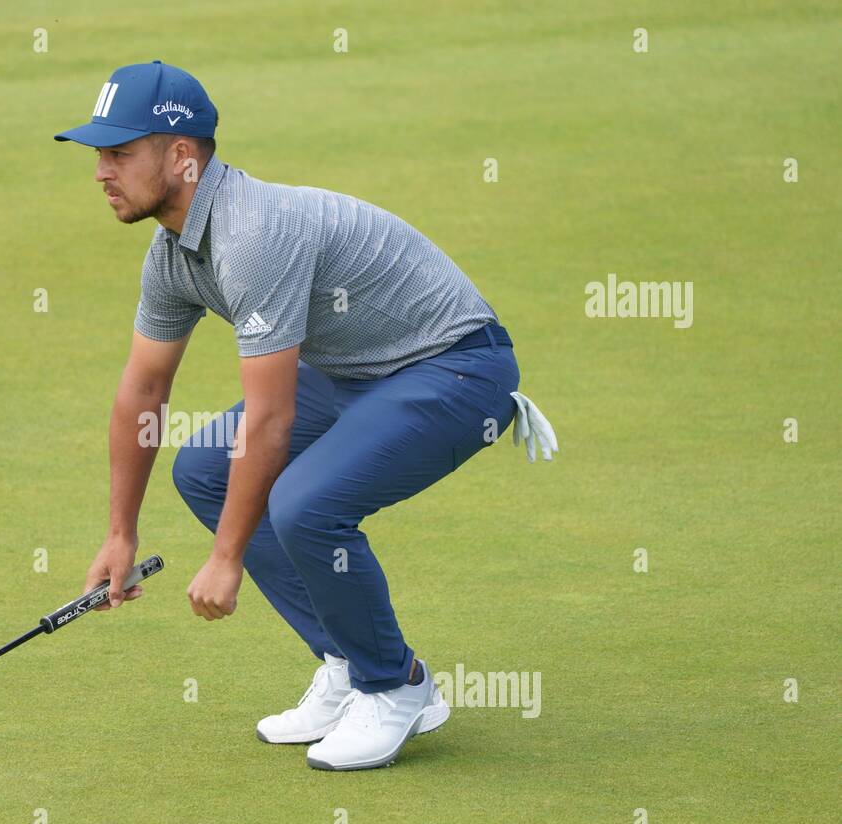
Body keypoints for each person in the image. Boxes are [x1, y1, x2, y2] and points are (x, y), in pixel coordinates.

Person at [55, 61, 558, 771]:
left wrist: (227, 559)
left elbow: (270, 418)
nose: (101, 172)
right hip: (360, 371)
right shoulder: (171, 254)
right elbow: (142, 392)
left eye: (119, 153)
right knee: (204, 469)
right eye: (99, 155)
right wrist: (118, 533)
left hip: (457, 367)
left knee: (303, 503)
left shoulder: (251, 233)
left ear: (180, 156)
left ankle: (396, 684)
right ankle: (348, 664)